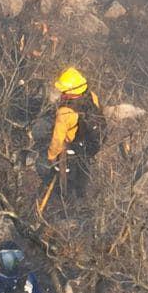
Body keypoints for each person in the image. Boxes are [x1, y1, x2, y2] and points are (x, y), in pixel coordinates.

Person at [41, 65, 103, 204]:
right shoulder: (92, 96)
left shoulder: (65, 112)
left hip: (72, 147)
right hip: (91, 143)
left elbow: (57, 139)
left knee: (66, 176)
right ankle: (83, 196)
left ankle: (65, 200)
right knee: (83, 172)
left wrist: (51, 157)